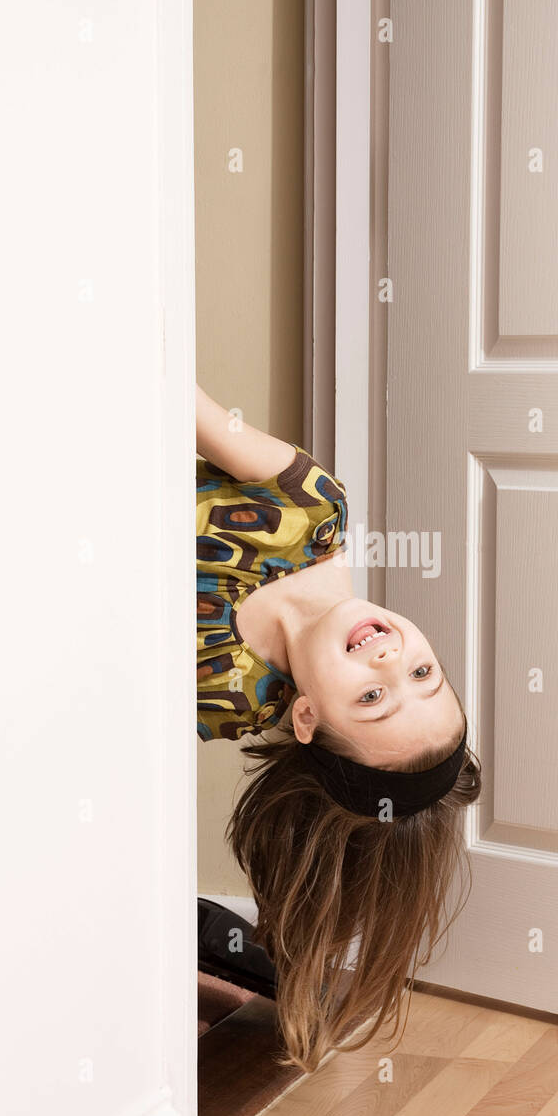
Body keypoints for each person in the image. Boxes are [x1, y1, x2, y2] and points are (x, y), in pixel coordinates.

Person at [196, 384, 481, 1071]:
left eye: (374, 699)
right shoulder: (312, 508)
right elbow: (172, 396)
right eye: (422, 674)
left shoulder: (219, 697)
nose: (391, 657)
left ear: (305, 717)